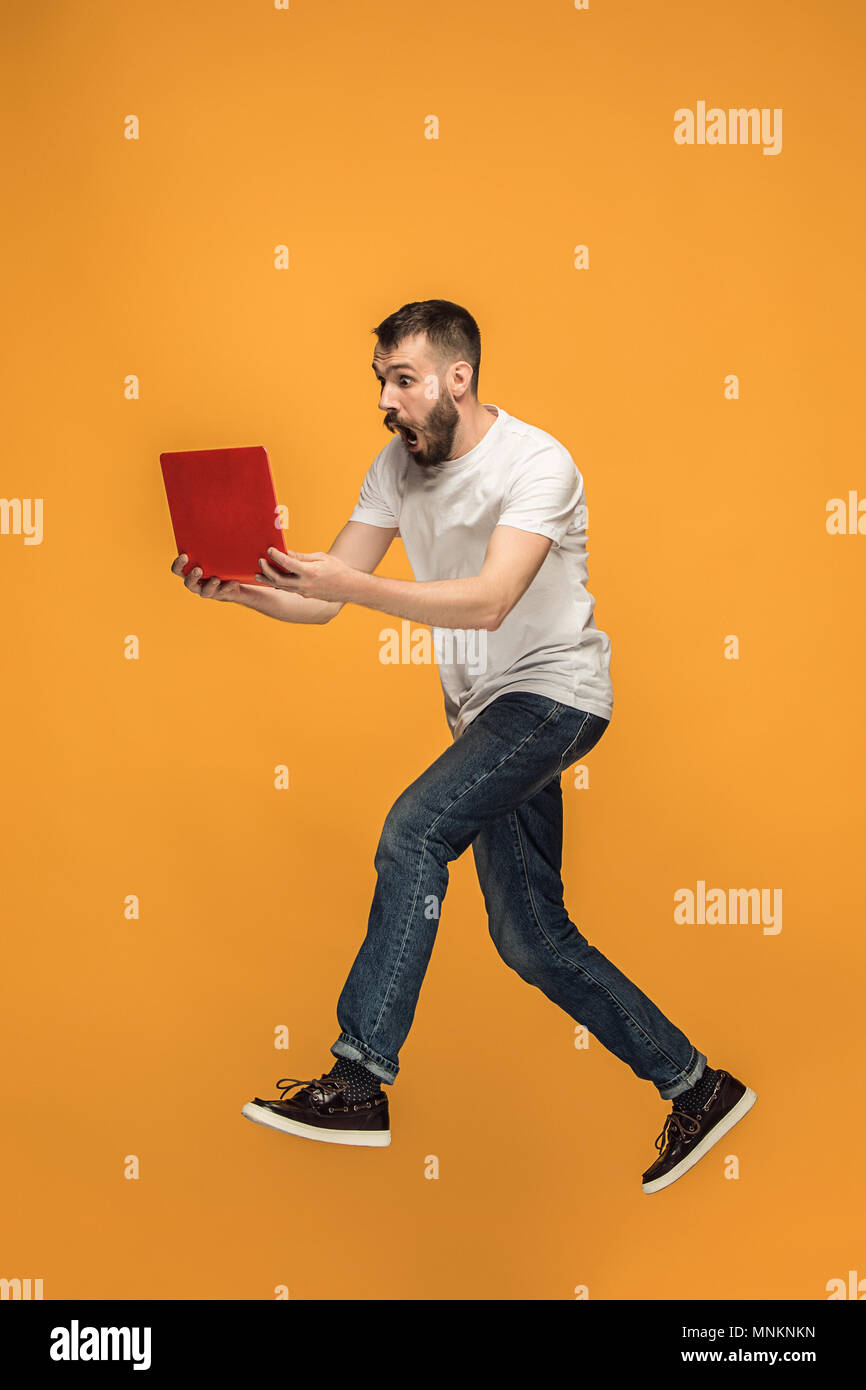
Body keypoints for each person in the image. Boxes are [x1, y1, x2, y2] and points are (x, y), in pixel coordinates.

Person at [171, 299, 756, 1193]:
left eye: (402, 380)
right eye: (380, 383)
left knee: (415, 830)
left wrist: (356, 586)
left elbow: (489, 599)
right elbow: (324, 596)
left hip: (556, 696)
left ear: (458, 376)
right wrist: (239, 588)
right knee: (530, 939)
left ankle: (361, 1075)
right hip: (488, 718)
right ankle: (697, 1085)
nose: (387, 401)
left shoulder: (538, 463)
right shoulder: (394, 470)